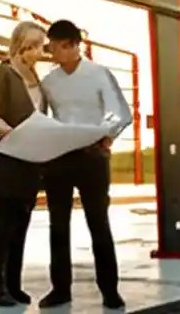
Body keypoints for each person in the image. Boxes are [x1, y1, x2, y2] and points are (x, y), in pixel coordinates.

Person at [38, 19, 131, 310]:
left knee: (98, 224)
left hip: (92, 157)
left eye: (56, 47)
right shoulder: (49, 82)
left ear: (73, 45)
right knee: (58, 225)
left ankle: (110, 291)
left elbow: (120, 112)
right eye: (51, 47)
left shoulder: (99, 74)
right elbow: (43, 116)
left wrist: (107, 137)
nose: (52, 52)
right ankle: (60, 290)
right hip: (60, 157)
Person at [0, 20, 49, 307]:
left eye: (40, 46)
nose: (37, 52)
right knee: (4, 222)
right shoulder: (0, 73)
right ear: (19, 44)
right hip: (8, 157)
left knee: (22, 221)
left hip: (31, 159)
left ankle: (13, 284)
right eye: (32, 45)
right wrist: (13, 134)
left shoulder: (38, 82)